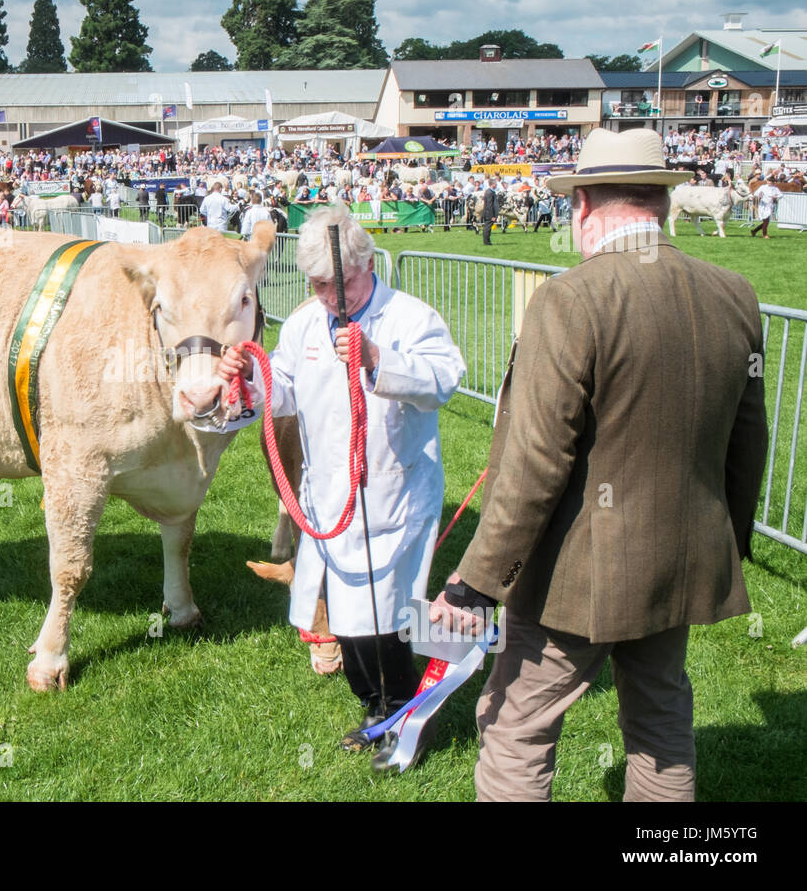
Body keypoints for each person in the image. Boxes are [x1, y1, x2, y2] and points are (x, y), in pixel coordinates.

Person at [428, 129, 768, 801]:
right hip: (681, 558)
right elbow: (748, 441)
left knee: (515, 726)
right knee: (661, 718)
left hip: (574, 574)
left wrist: (476, 584)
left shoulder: (571, 298)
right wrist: (727, 541)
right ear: (663, 205)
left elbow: (535, 463)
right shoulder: (734, 292)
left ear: (582, 206)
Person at [218, 206, 465, 750]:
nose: (331, 296)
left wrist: (378, 358)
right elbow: (281, 384)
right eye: (318, 285)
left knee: (388, 616)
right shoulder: (307, 322)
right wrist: (248, 376)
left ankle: (402, 714)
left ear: (367, 264)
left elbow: (445, 377)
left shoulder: (409, 317)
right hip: (330, 496)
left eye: (339, 283)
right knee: (347, 620)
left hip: (392, 492)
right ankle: (372, 705)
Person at [480, 177, 499, 245]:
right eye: (495, 183)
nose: (496, 185)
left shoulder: (490, 192)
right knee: (487, 228)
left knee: (488, 227)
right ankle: (486, 242)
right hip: (489, 213)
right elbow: (489, 205)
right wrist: (492, 216)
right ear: (492, 184)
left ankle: (487, 241)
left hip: (489, 213)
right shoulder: (489, 192)